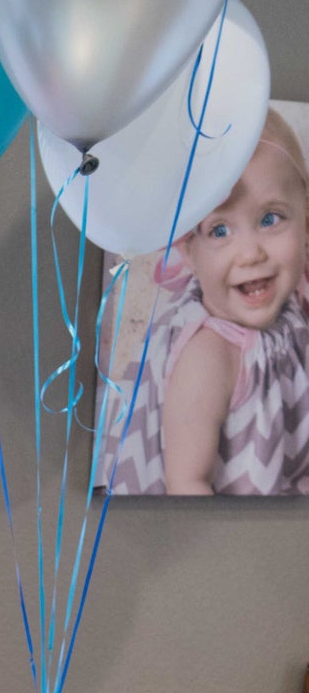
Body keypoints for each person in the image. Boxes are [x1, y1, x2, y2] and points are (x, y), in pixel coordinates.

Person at [109, 109, 309, 496]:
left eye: (271, 219)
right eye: (219, 230)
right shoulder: (208, 358)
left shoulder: (291, 308)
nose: (250, 253)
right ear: (189, 251)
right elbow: (187, 487)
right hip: (226, 524)